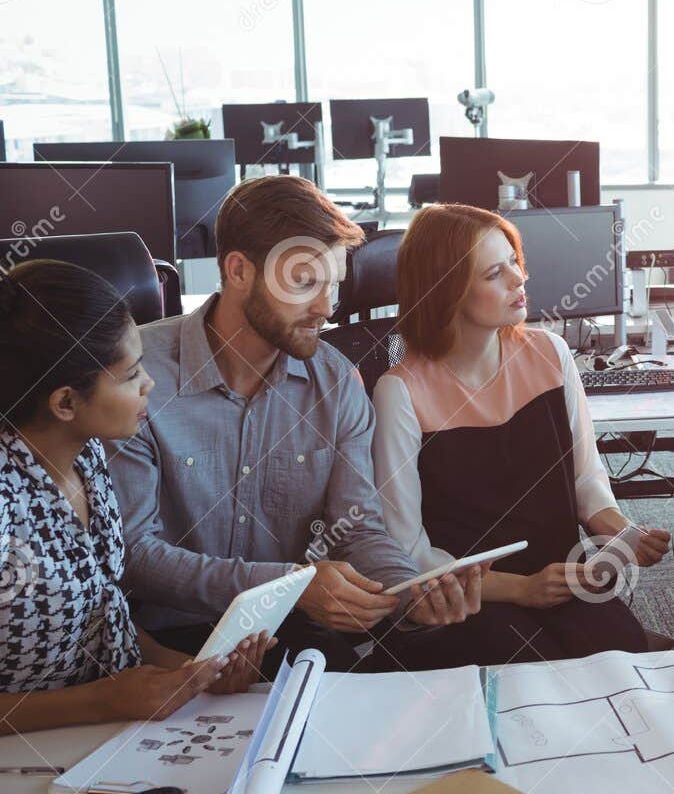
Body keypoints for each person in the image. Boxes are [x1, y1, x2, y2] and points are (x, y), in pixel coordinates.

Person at [107, 175, 486, 675]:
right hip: (162, 644)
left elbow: (357, 529)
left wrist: (410, 591)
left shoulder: (337, 382)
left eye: (333, 285)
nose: (326, 309)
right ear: (239, 271)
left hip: (287, 631)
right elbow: (133, 554)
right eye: (305, 283)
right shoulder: (137, 375)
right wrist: (291, 584)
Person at [0, 260, 269, 738]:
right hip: (10, 758)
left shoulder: (89, 457)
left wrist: (193, 672)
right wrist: (99, 703)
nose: (149, 384)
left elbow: (101, 613)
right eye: (131, 373)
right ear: (65, 403)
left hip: (104, 737)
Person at [371, 203, 669, 664]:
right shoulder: (401, 391)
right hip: (473, 598)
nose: (519, 279)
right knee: (526, 671)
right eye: (495, 273)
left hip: (560, 579)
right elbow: (408, 550)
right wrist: (521, 589)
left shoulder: (550, 353)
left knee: (619, 652)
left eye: (514, 261)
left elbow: (586, 482)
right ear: (446, 290)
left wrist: (626, 533)